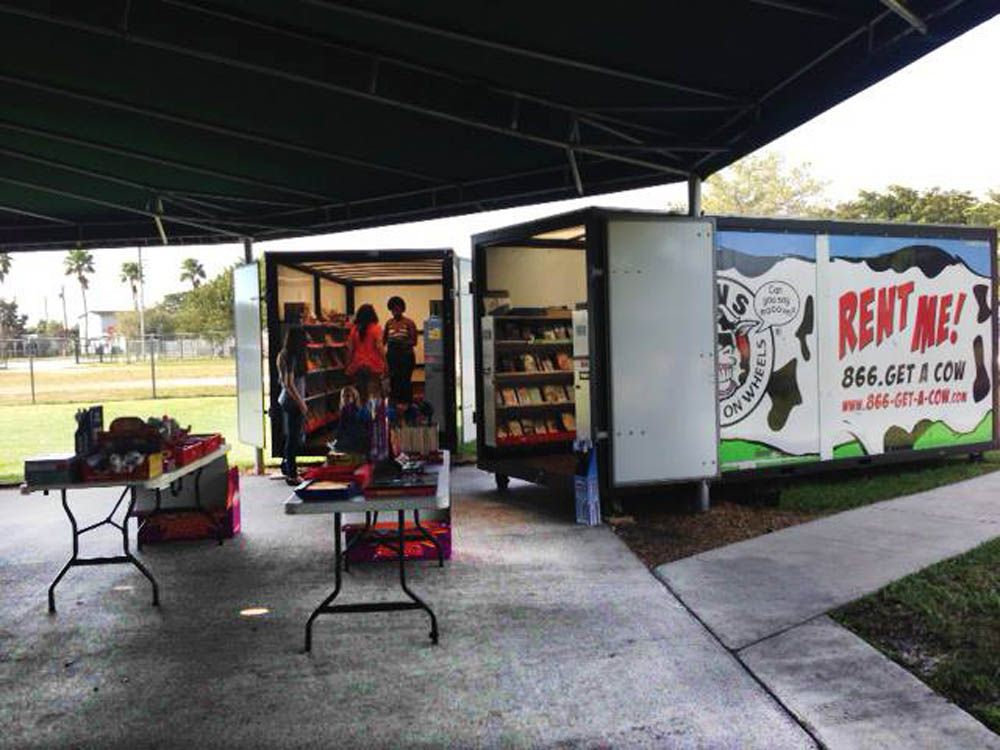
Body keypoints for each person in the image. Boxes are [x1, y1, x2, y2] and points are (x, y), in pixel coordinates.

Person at [276, 327, 308, 484]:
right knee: (293, 439)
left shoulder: (282, 355)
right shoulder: (292, 357)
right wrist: (302, 403)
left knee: (291, 437)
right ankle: (292, 475)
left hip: (286, 400)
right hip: (292, 401)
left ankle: (288, 467)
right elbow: (289, 384)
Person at [383, 296, 418, 405]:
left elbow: (414, 341)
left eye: (397, 309)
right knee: (393, 382)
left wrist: (402, 344)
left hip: (405, 357)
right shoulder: (389, 323)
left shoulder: (409, 323)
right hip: (392, 356)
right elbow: (383, 340)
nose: (395, 312)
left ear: (402, 309)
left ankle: (407, 406)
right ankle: (394, 407)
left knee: (405, 382)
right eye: (393, 310)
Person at [346, 303, 385, 400]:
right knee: (373, 393)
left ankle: (361, 413)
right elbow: (380, 347)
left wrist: (347, 365)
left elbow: (350, 349)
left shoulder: (354, 329)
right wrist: (386, 363)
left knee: (360, 394)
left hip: (357, 365)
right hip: (374, 366)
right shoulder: (376, 328)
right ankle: (372, 414)